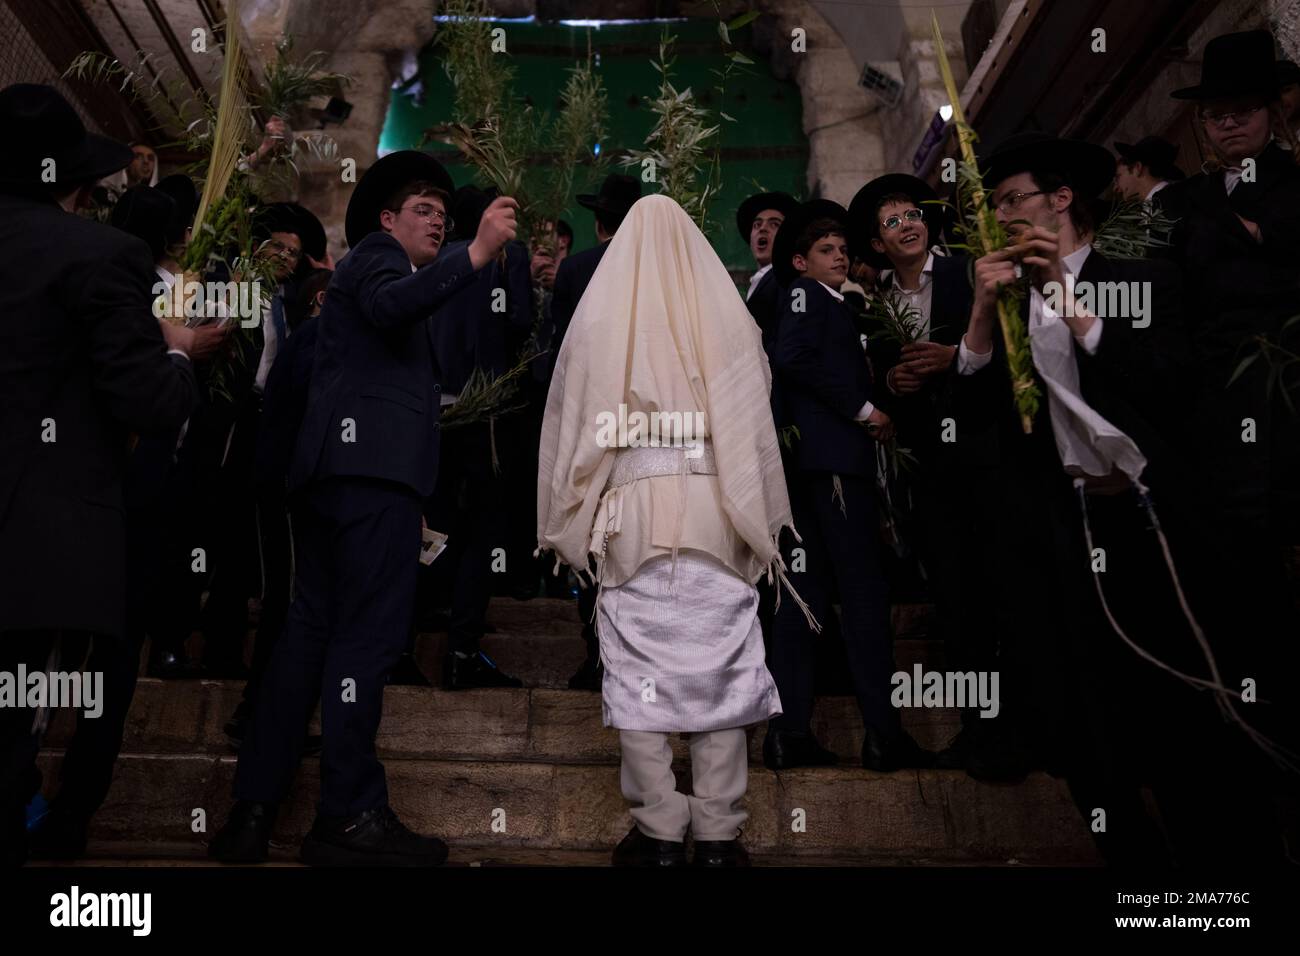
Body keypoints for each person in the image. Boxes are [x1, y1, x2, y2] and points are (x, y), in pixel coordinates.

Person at [208, 150, 517, 866]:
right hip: (366, 486)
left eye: (446, 214)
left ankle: (252, 812)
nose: (438, 219)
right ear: (384, 220)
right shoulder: (378, 263)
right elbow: (389, 306)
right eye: (423, 209)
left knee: (304, 645)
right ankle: (347, 814)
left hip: (346, 488)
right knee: (367, 644)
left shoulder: (370, 300)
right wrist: (477, 251)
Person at [538, 194, 799, 866]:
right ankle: (717, 833)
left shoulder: (600, 319)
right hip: (717, 508)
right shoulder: (728, 316)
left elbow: (585, 428)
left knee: (640, 669)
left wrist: (569, 513)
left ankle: (658, 830)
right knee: (721, 664)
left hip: (635, 513)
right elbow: (751, 417)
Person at [0, 84, 199, 866]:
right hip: (40, 548)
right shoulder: (100, 255)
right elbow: (148, 400)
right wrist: (179, 351)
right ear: (73, 186)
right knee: (16, 736)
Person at [764, 199, 933, 773]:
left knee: (805, 596)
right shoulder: (808, 295)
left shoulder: (836, 301)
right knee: (863, 595)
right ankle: (884, 735)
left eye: (842, 249)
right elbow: (791, 358)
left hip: (814, 470)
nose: (838, 257)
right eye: (824, 251)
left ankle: (790, 732)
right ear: (800, 261)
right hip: (833, 468)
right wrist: (865, 409)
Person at [848, 174, 982, 767]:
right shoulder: (879, 307)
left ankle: (1030, 723)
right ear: (877, 244)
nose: (907, 224)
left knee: (1001, 587)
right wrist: (893, 385)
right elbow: (882, 384)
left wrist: (956, 359)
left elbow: (1018, 349)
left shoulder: (969, 274)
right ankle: (980, 729)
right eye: (892, 220)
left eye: (912, 214)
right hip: (927, 470)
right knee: (953, 594)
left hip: (987, 457)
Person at [425, 184, 531, 689]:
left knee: (435, 528)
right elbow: (521, 322)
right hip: (486, 411)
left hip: (432, 413)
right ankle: (462, 649)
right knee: (484, 531)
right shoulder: (507, 259)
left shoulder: (432, 259)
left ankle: (413, 635)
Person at [550, 173, 642, 690]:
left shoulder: (577, 270)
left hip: (590, 422)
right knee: (636, 537)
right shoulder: (657, 274)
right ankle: (637, 648)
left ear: (597, 220)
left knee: (591, 533)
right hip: (651, 427)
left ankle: (598, 653)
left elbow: (559, 357)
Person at [736, 190, 799, 350]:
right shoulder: (757, 283)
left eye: (774, 224)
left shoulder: (790, 280)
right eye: (757, 224)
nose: (762, 229)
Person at [1111, 136, 1185, 204]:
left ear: (1137, 168)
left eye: (1118, 177)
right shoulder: (1169, 199)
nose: (1115, 188)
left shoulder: (1174, 201)